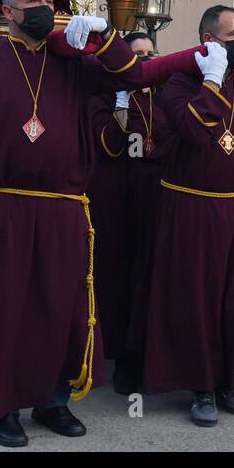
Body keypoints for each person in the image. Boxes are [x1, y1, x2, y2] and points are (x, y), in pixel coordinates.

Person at [0, 0, 142, 447]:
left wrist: (104, 39)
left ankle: (53, 400)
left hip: (64, 207)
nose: (44, 8)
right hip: (3, 206)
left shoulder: (73, 64)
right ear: (8, 12)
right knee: (4, 309)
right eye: (33, 2)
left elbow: (133, 77)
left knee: (58, 307)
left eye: (49, 1)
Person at [142, 5, 234, 427]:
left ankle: (230, 382)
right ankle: (201, 387)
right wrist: (211, 79)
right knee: (197, 300)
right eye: (233, 36)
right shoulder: (178, 84)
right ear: (208, 42)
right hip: (191, 205)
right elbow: (195, 128)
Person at [88, 31, 174, 396]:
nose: (145, 62)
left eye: (150, 55)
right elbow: (109, 143)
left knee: (152, 273)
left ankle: (150, 352)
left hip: (156, 194)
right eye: (136, 55)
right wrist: (121, 105)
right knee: (120, 274)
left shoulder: (164, 95)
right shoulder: (100, 96)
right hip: (116, 193)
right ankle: (121, 355)